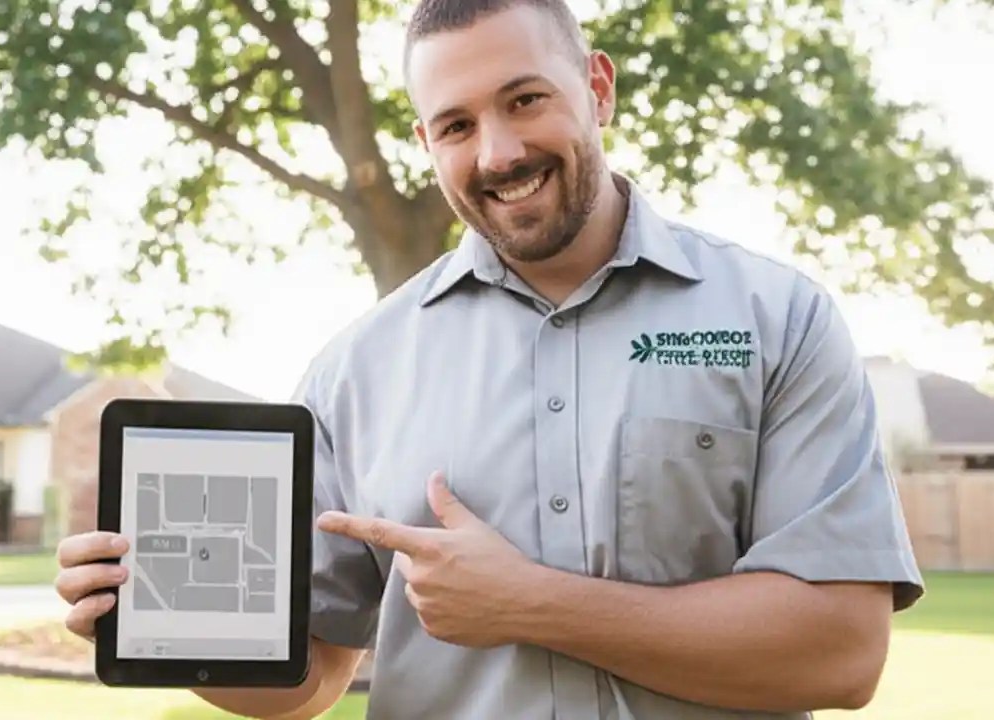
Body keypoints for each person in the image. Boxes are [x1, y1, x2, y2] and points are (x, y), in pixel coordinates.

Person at [53, 0, 926, 717]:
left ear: (597, 87)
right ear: (426, 141)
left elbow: (840, 656)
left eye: (525, 100)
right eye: (456, 125)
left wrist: (528, 603)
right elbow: (309, 674)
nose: (498, 153)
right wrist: (157, 618)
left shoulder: (778, 319)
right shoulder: (359, 367)